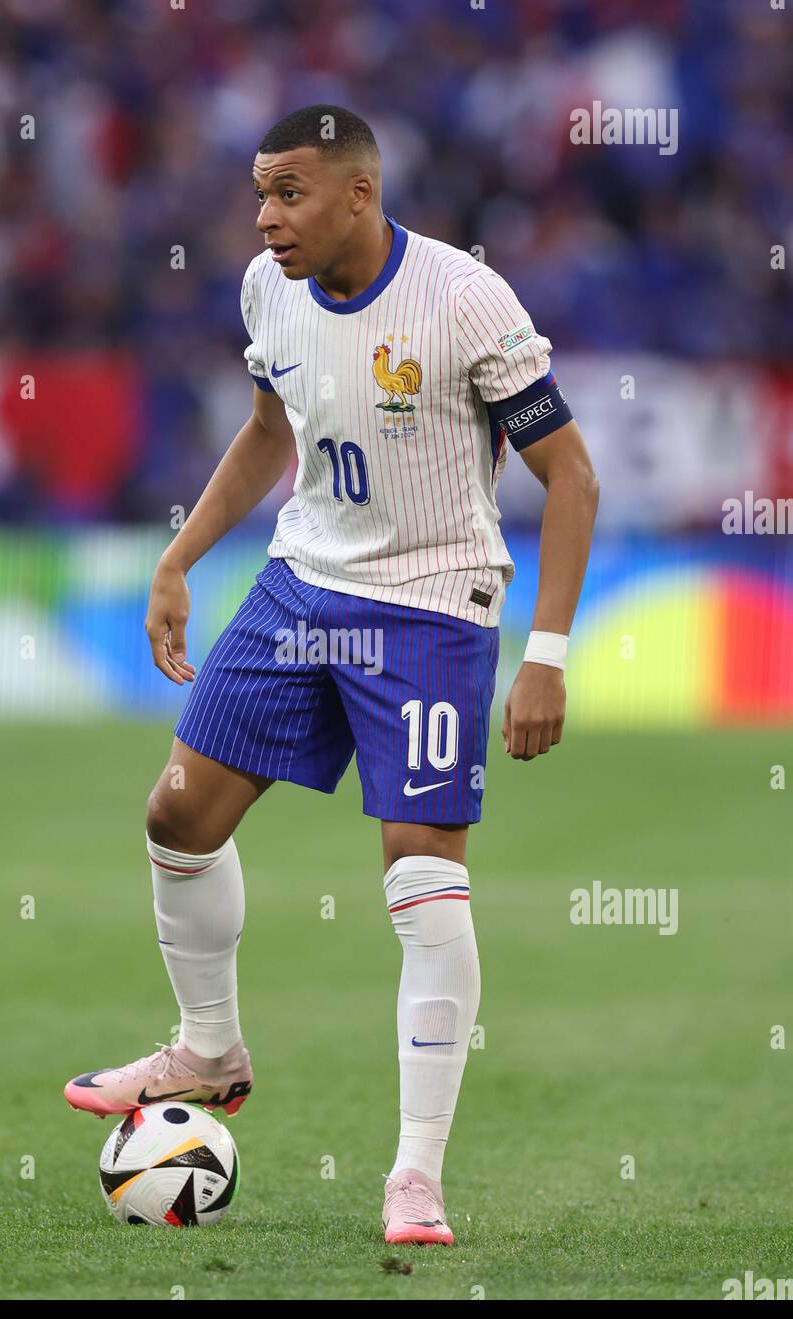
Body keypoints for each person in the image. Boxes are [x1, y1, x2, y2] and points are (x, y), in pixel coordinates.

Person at [64, 105, 599, 1245]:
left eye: (291, 192)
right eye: (259, 192)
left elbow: (573, 477)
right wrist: (177, 557)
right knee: (176, 814)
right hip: (303, 583)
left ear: (360, 192)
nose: (266, 217)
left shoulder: (462, 300)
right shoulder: (268, 290)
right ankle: (208, 1048)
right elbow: (272, 430)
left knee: (418, 882)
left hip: (430, 605)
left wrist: (544, 655)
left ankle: (415, 1174)